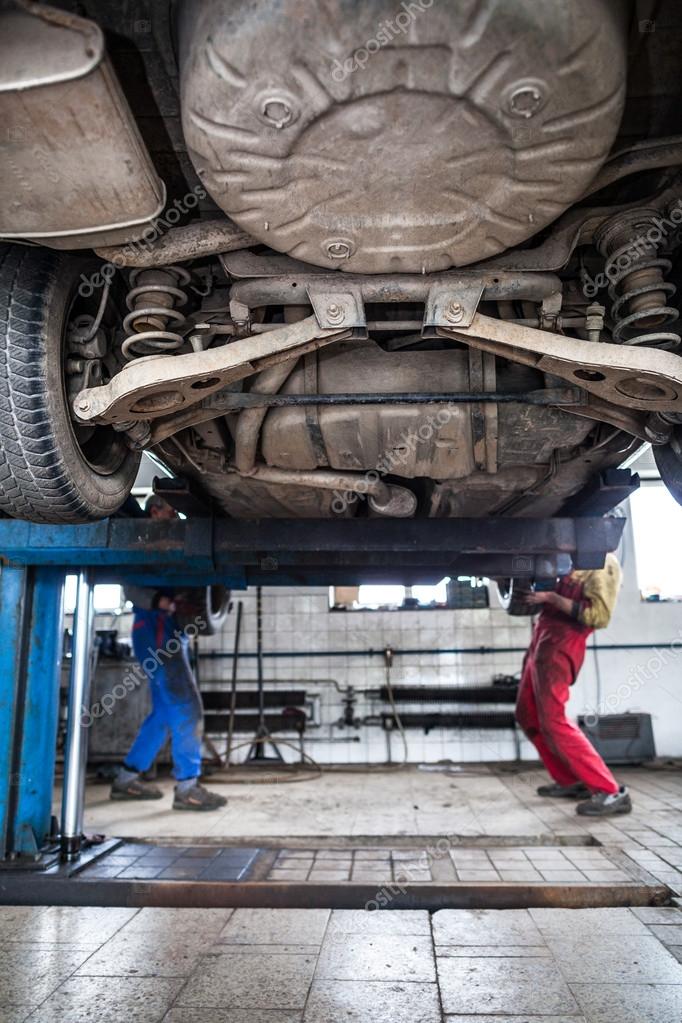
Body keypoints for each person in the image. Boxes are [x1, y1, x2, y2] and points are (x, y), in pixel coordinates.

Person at [110, 495, 227, 811]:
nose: (175, 516)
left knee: (164, 715)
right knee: (187, 707)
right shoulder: (141, 541)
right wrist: (165, 602)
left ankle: (126, 778)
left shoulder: (167, 544)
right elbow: (130, 586)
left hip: (167, 633)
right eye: (170, 510)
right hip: (156, 631)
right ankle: (188, 787)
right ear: (153, 511)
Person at [515, 552, 632, 817]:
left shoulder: (603, 563)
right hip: (542, 638)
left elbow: (600, 616)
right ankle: (570, 780)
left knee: (553, 721)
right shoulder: (563, 558)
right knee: (527, 714)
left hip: (564, 642)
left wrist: (552, 598)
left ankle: (610, 791)